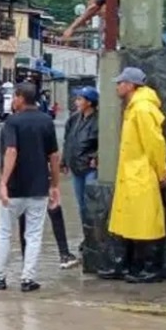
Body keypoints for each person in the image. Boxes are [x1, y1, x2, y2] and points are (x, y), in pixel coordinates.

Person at [97, 67, 166, 284]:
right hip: (132, 174)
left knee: (145, 222)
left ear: (131, 85)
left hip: (141, 174)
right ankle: (126, 265)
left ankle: (150, 268)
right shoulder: (133, 108)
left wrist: (162, 170)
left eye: (120, 82)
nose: (117, 85)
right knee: (129, 220)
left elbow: (154, 142)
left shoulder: (141, 109)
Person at [0, 83, 61, 293]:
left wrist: (3, 183)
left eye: (13, 97)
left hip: (15, 188)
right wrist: (55, 185)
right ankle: (28, 279)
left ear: (19, 97)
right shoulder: (46, 121)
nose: (11, 101)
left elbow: (11, 151)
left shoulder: (12, 122)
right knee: (34, 235)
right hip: (38, 188)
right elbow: (54, 156)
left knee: (4, 232)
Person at [62, 86, 100, 253]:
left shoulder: (99, 121)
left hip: (90, 168)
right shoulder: (73, 119)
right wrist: (64, 161)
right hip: (76, 167)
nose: (76, 102)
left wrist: (97, 156)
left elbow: (104, 142)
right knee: (81, 206)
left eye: (80, 99)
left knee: (91, 204)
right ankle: (87, 237)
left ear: (89, 103)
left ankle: (94, 239)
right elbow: (68, 141)